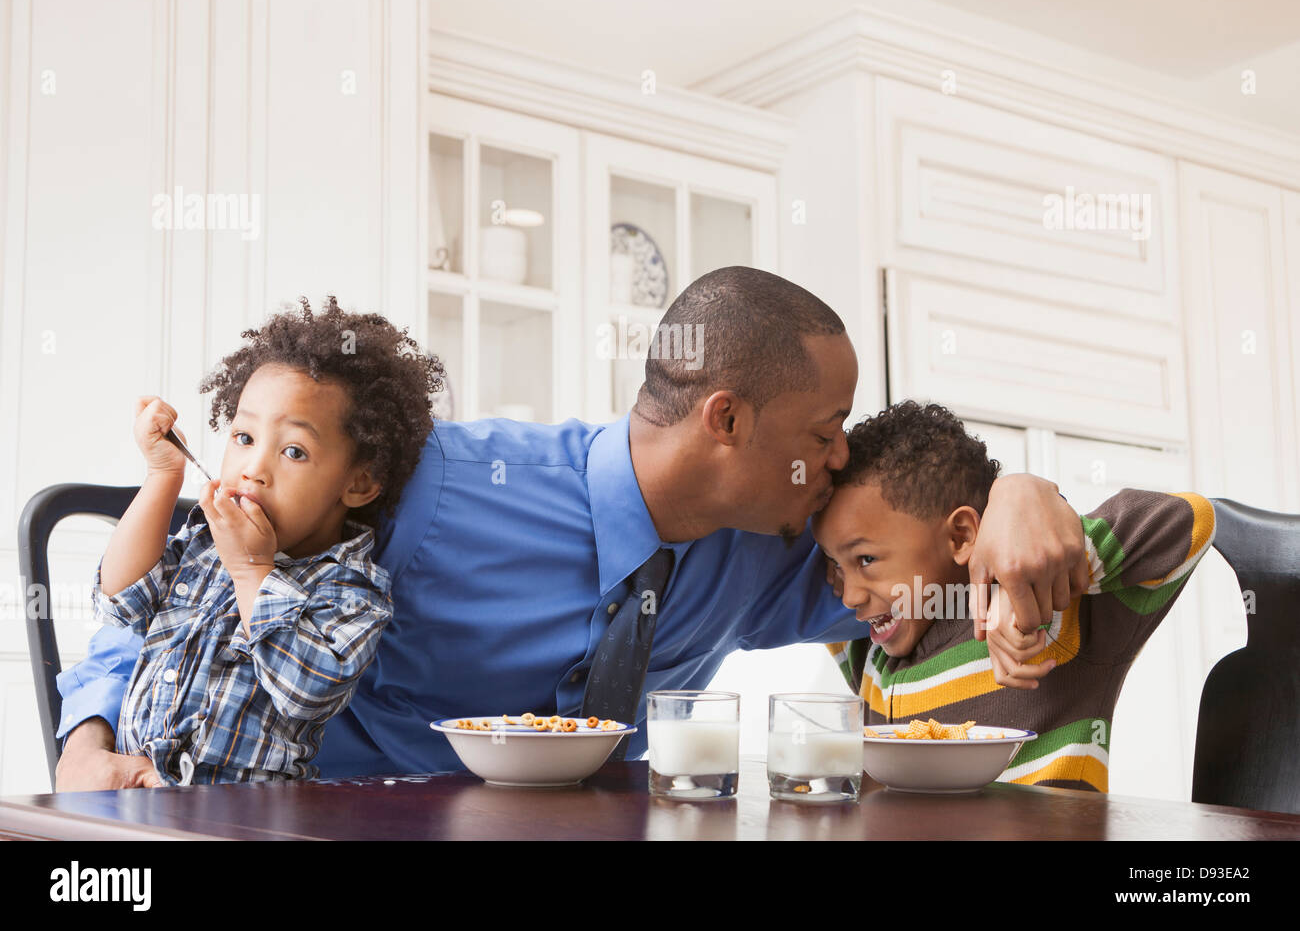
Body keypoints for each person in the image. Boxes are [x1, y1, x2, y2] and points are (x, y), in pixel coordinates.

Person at [55, 269, 1086, 789]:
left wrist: (1018, 493)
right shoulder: (433, 485)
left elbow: (922, 557)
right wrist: (88, 737)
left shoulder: (774, 550)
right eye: (822, 432)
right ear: (727, 421)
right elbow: (184, 594)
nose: (840, 458)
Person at [85, 297, 442, 784]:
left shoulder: (350, 588)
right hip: (133, 803)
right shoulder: (204, 545)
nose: (254, 469)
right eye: (244, 438)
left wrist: (252, 571)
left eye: (293, 451)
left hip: (248, 821)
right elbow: (121, 599)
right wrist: (162, 476)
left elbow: (308, 689)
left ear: (357, 484)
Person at [814, 400, 1215, 791]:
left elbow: (1193, 520)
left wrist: (1018, 575)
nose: (849, 595)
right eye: (836, 565)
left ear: (961, 536)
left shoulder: (1048, 615)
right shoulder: (870, 656)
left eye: (865, 559)